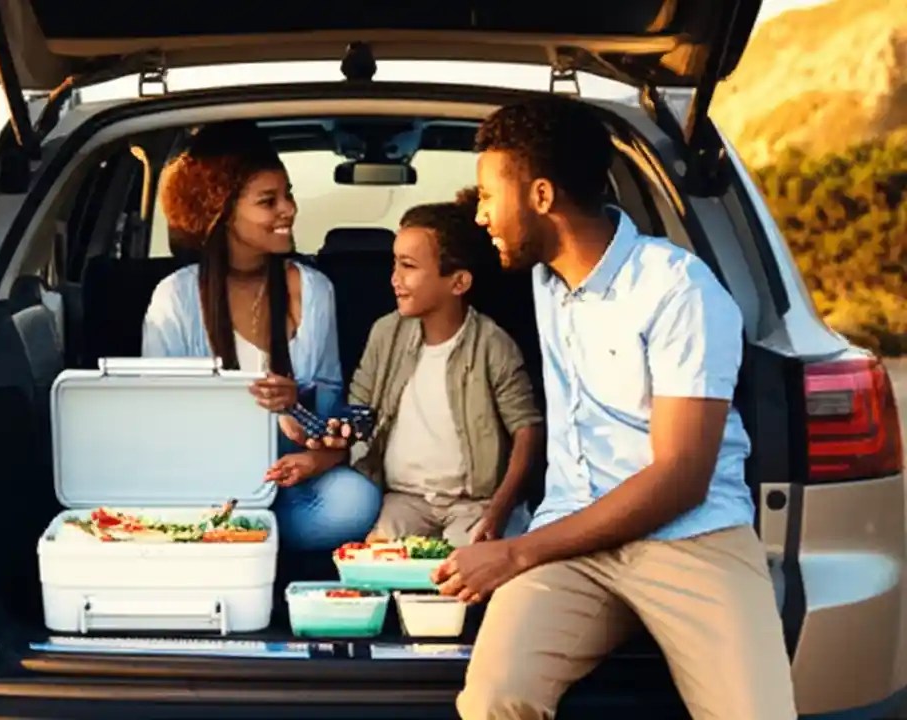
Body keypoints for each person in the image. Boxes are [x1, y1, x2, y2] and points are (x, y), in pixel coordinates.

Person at [429, 96, 797, 719]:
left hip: (690, 536)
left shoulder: (678, 289)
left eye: (489, 196)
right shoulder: (546, 279)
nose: (482, 216)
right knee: (495, 699)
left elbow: (682, 477)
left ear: (542, 196)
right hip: (572, 539)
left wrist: (517, 551)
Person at [141, 120, 381, 552]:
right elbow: (158, 422)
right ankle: (237, 533)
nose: (288, 209)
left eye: (288, 195)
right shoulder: (174, 297)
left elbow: (332, 414)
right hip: (202, 480)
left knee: (354, 501)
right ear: (221, 211)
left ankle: (241, 539)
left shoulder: (312, 289)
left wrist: (299, 411)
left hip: (289, 479)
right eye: (268, 201)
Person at [280, 198, 544, 549]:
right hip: (404, 500)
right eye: (394, 264)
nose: (394, 279)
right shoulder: (385, 334)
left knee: (463, 571)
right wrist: (320, 449)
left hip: (474, 504)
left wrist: (499, 509)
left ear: (458, 282)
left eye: (408, 266)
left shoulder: (492, 345)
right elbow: (357, 414)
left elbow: (528, 430)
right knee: (377, 560)